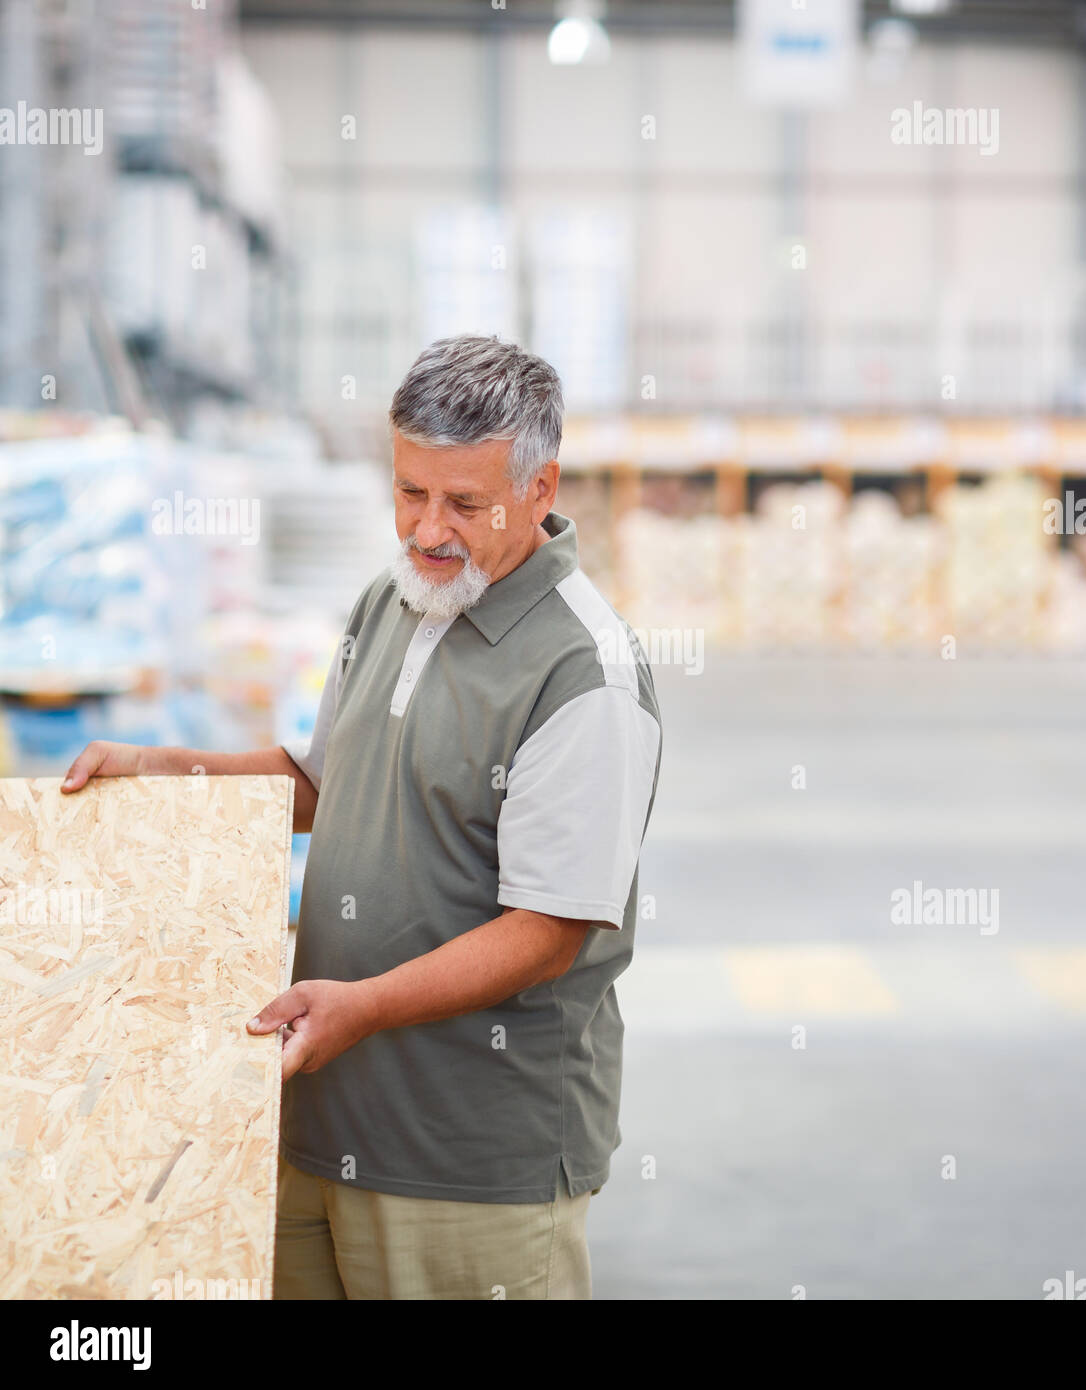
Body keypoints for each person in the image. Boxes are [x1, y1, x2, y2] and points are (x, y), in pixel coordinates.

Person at [61, 335, 663, 1300]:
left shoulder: (582, 671)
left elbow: (550, 931)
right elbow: (326, 782)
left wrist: (363, 1005)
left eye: (463, 503)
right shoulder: (396, 598)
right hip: (321, 1122)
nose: (427, 529)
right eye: (408, 492)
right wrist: (168, 767)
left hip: (467, 1161)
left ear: (540, 488)